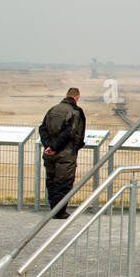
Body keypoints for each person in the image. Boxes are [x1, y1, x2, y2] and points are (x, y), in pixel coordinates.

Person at [39, 88, 86, 219]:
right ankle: (59, 212)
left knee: (51, 180)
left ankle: (53, 209)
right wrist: (54, 147)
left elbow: (42, 129)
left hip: (50, 154)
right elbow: (70, 132)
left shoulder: (52, 110)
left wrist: (48, 146)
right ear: (77, 97)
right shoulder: (75, 112)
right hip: (65, 153)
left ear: (66, 95)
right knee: (64, 182)